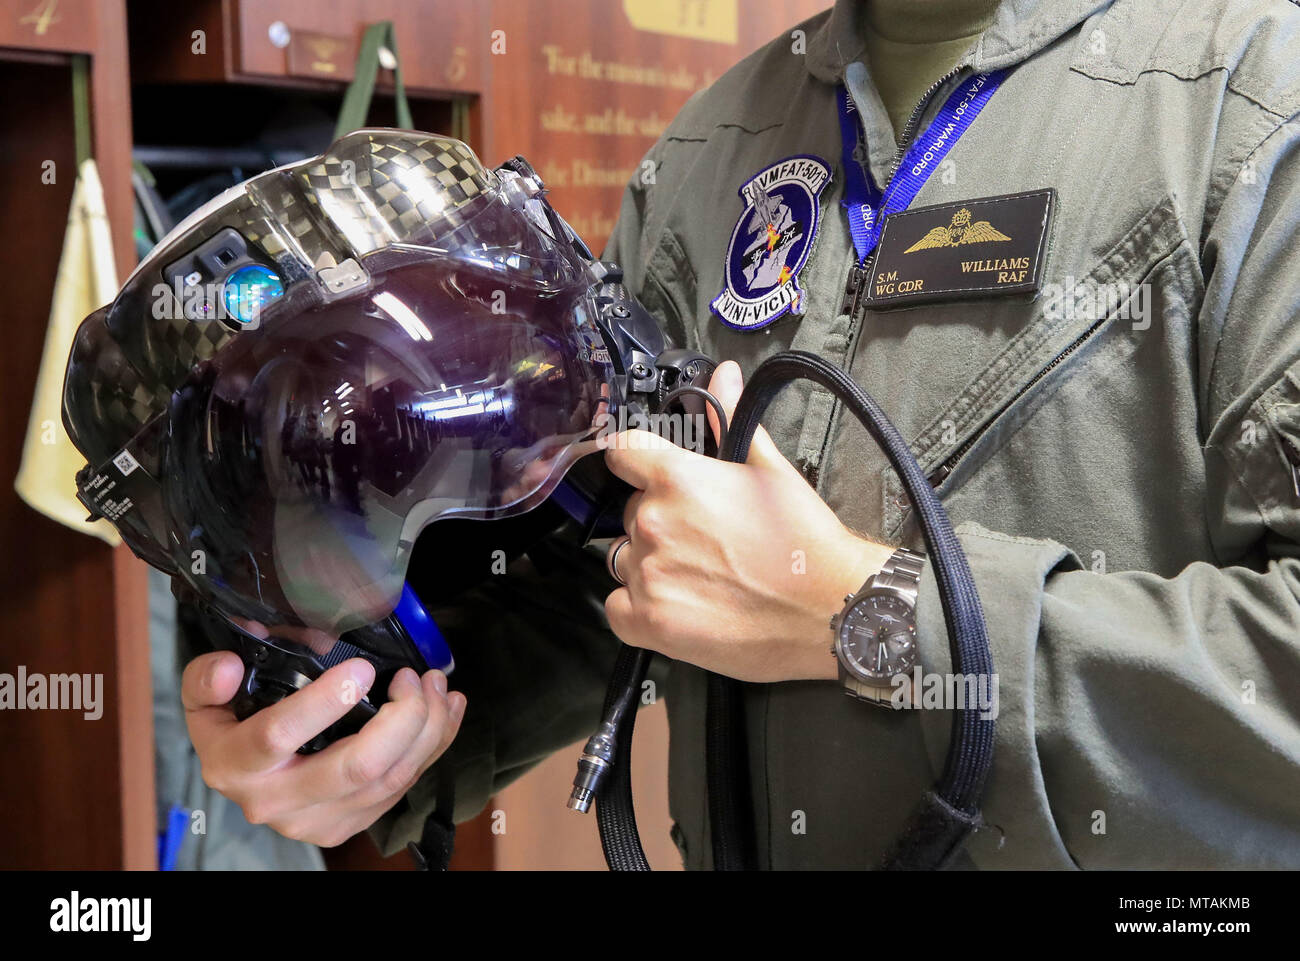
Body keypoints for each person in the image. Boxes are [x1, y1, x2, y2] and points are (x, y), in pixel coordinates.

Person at [181, 0, 1300, 868]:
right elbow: (620, 571)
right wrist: (380, 726)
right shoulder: (712, 150)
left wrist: (866, 612)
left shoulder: (1251, 107)